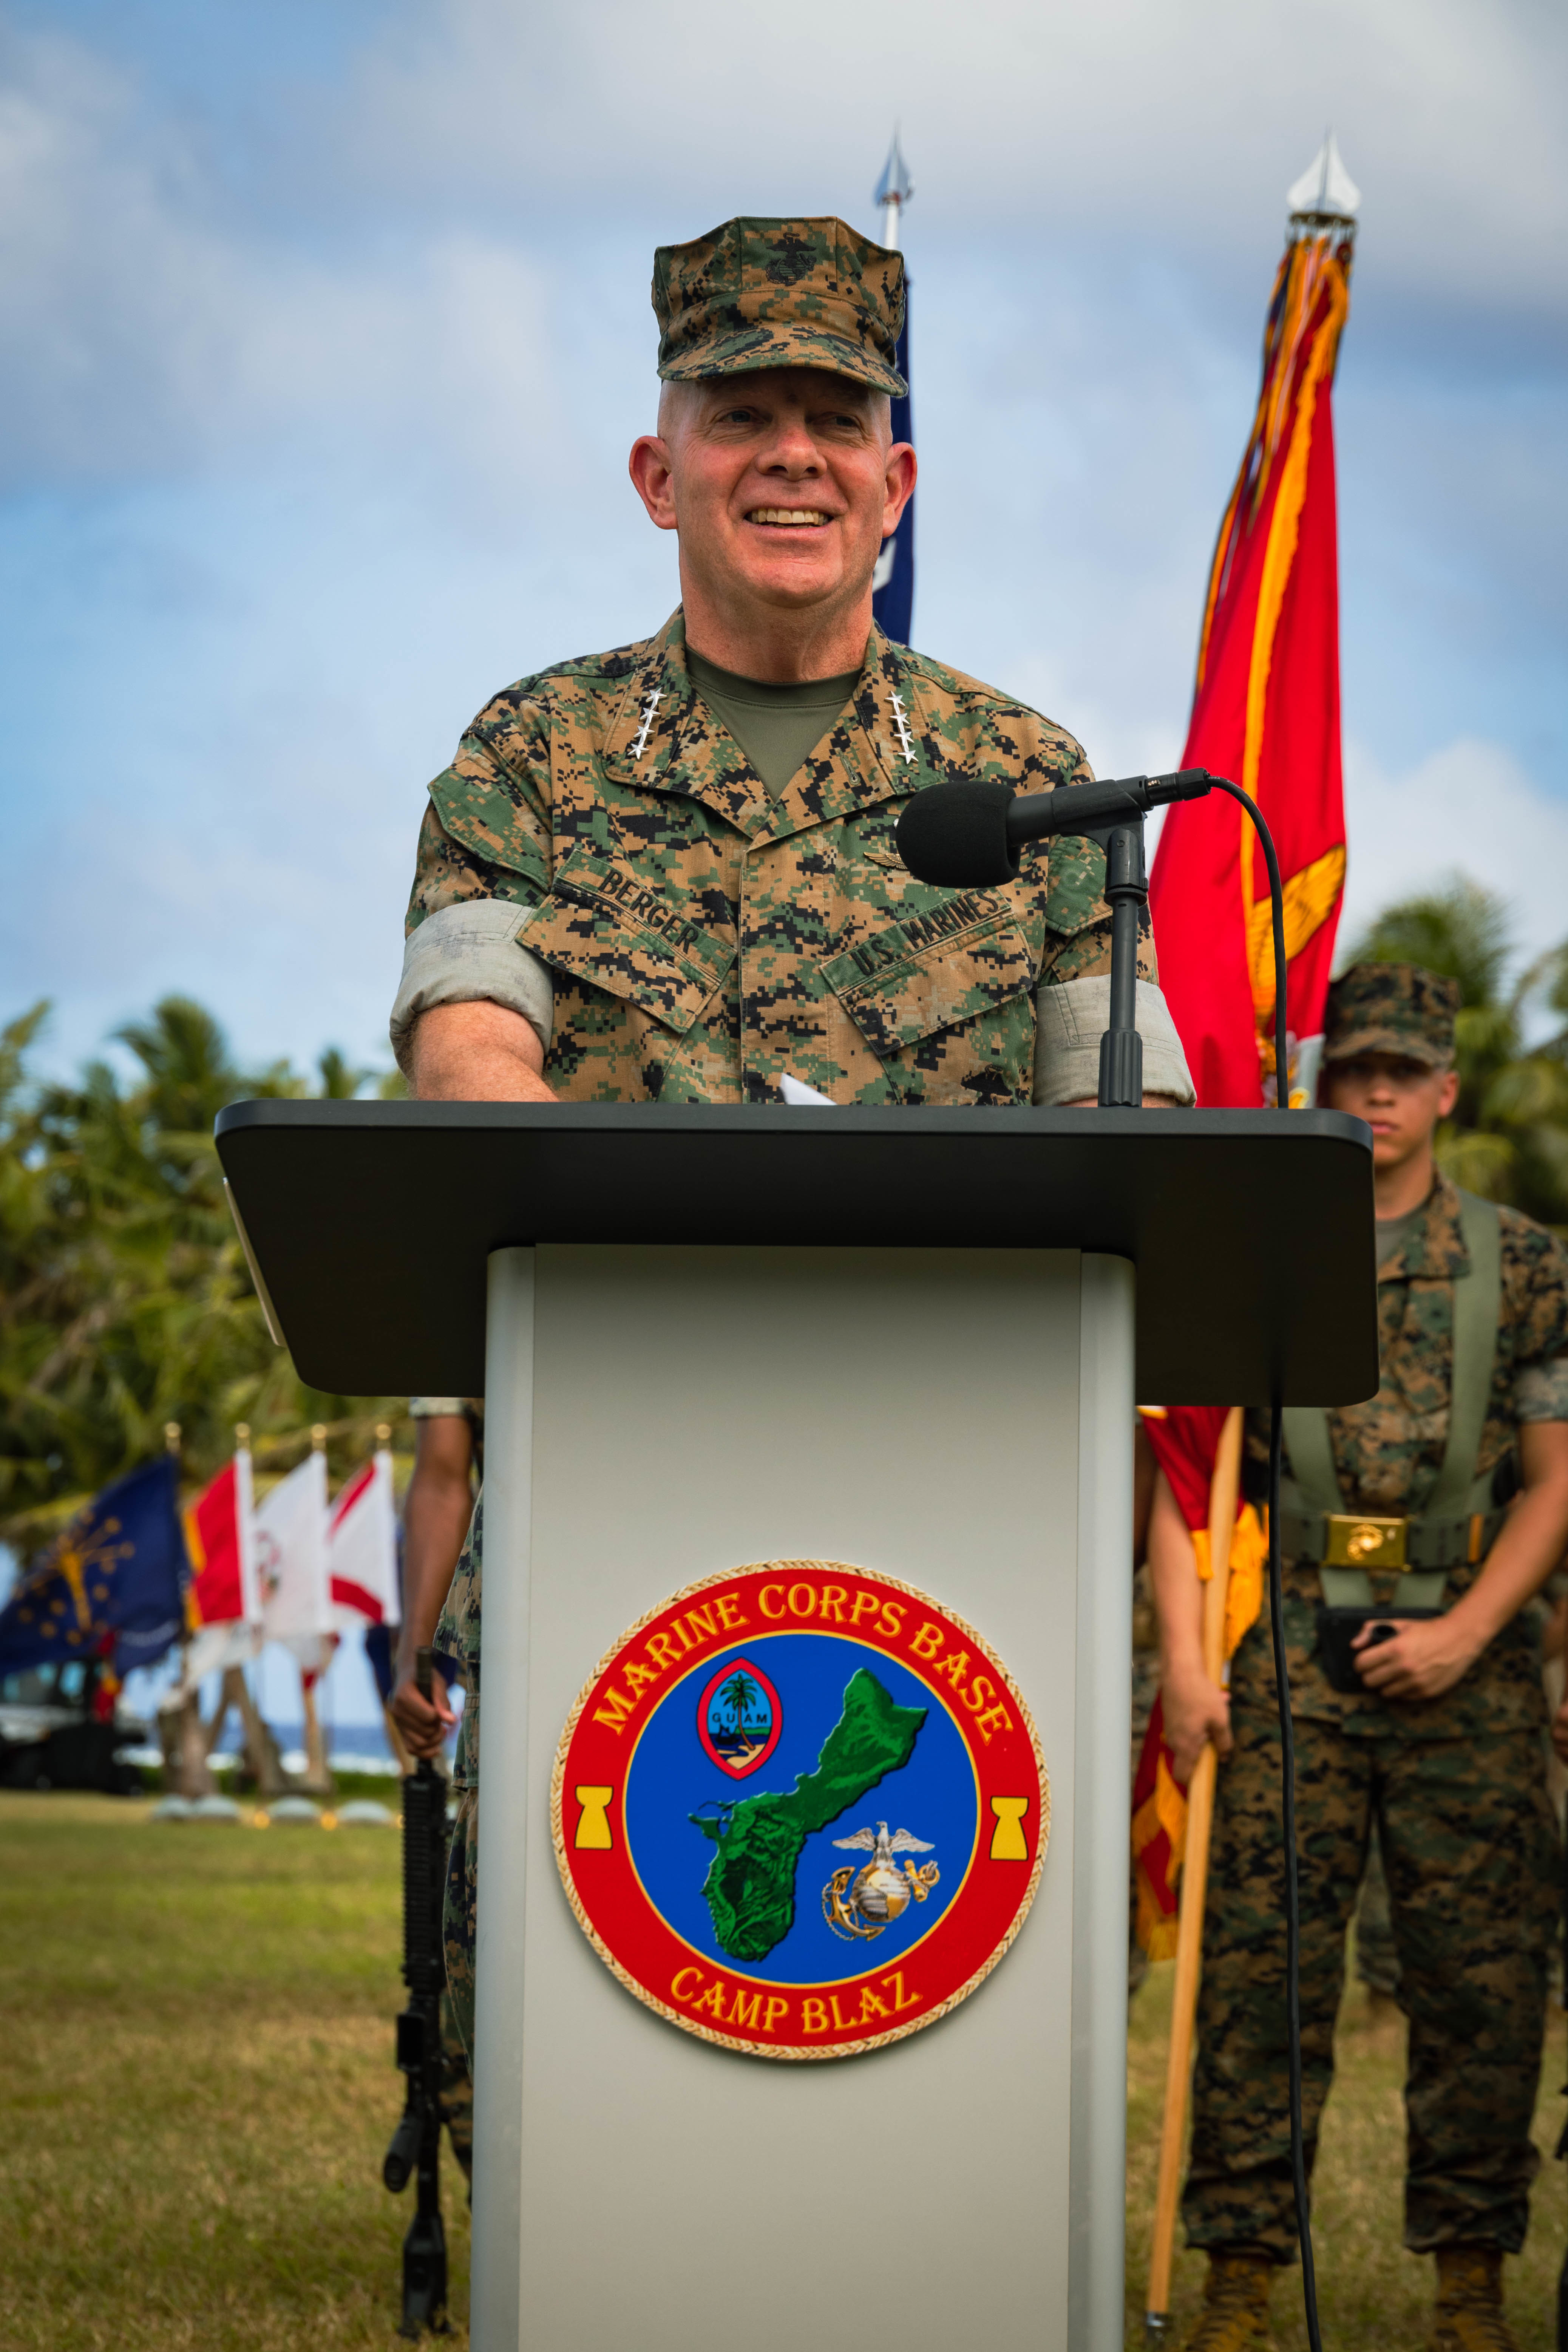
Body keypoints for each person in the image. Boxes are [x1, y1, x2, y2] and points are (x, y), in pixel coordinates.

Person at [386, 213, 1196, 2068]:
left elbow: (1125, 1139)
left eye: (833, 418)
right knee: (585, 1992)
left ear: (895, 478)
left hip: (952, 1484)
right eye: (739, 410)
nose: (790, 456)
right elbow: (468, 1057)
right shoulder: (531, 759)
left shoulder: (1031, 781)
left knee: (943, 1984)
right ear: (655, 468)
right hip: (615, 1453)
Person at [1150, 962, 1568, 2352]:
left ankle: (1467, 2285)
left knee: (1479, 1981)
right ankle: (1240, 2279)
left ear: (1446, 1088)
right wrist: (1184, 1666)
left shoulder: (1524, 1261)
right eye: (1354, 1072)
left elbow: (1559, 1479)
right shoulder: (1262, 1253)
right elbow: (1184, 1470)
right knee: (1260, 1981)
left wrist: (1464, 1631)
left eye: (1402, 1072)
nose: (1377, 1093)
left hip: (1472, 1652)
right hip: (1286, 1655)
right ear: (1320, 1088)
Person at [389, 1397, 484, 2184]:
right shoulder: (464, 1272)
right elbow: (445, 1476)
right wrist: (418, 1656)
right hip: (527, 1638)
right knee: (481, 1970)